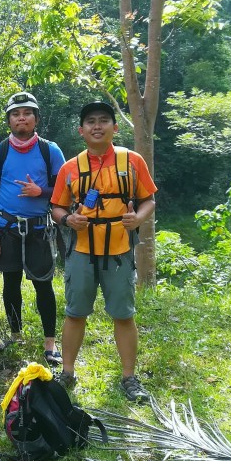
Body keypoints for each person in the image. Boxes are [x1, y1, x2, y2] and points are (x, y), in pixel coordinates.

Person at [50, 100, 157, 402]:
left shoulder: (132, 161)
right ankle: (67, 372)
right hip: (81, 248)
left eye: (104, 120)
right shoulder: (70, 168)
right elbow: (56, 207)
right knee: (75, 312)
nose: (97, 126)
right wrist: (68, 219)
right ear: (81, 130)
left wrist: (139, 218)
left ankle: (129, 377)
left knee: (123, 314)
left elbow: (149, 199)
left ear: (115, 127)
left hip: (119, 249)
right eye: (91, 122)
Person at [0, 91, 65, 364]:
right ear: (9, 121)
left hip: (39, 229)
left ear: (36, 119)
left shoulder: (50, 150)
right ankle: (15, 335)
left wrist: (41, 191)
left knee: (43, 285)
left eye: (27, 114)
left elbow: (63, 192)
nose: (21, 119)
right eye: (15, 114)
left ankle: (50, 343)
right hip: (7, 228)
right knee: (11, 282)